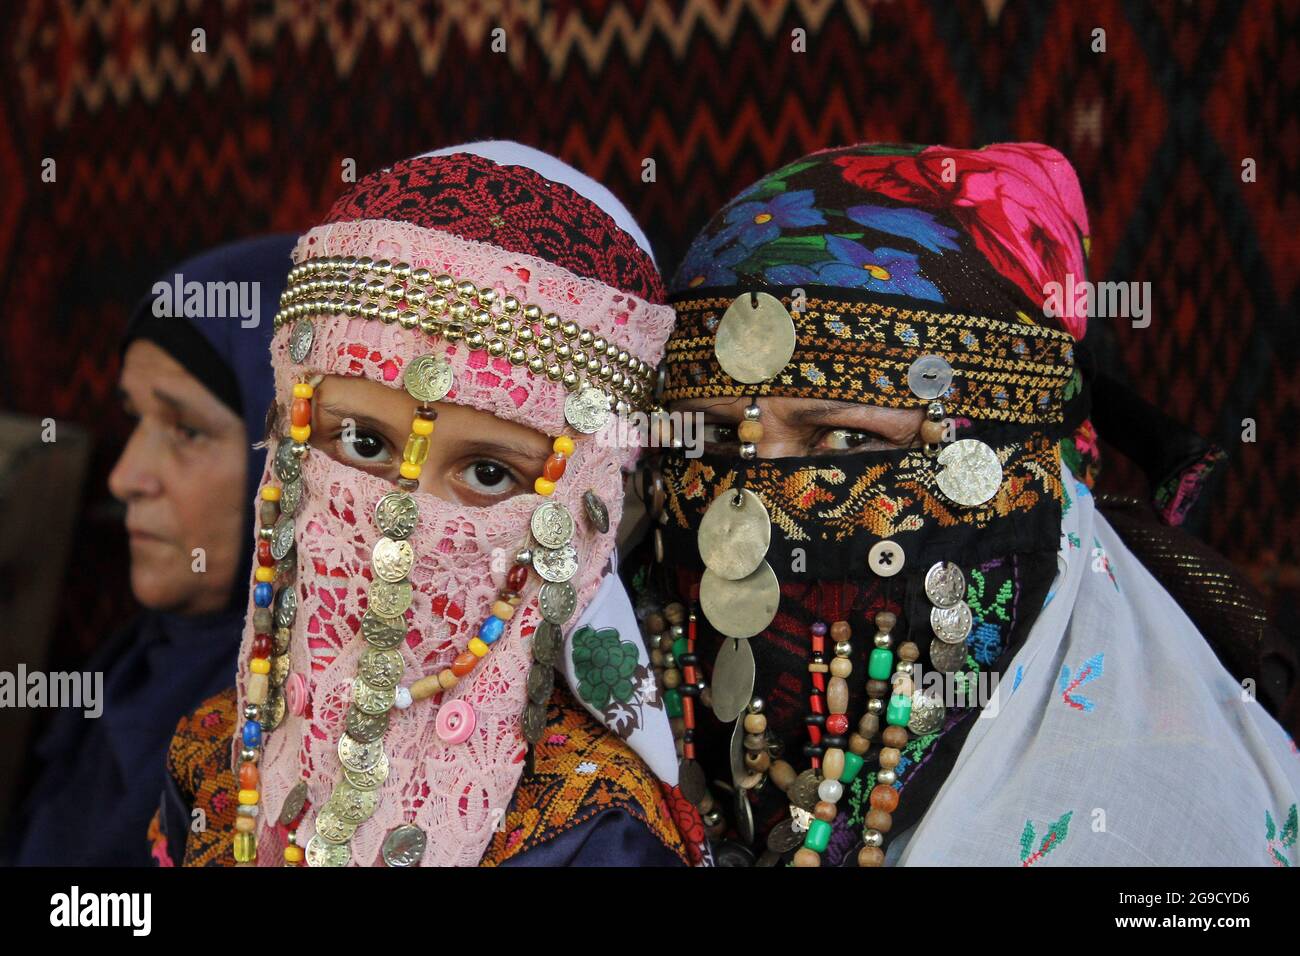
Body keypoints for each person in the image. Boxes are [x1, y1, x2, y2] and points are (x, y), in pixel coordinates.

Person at [639, 142, 1299, 866]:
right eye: (711, 441)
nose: (748, 513)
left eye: (845, 442)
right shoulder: (616, 727)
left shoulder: (1164, 816)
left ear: (1014, 461)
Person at [149, 142, 707, 867]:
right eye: (362, 442)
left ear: (579, 507)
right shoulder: (218, 748)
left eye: (485, 471)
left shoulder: (591, 828)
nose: (400, 524)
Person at [5, 233, 297, 865]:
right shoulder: (136, 667)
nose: (124, 477)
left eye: (186, 429)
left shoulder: (303, 744)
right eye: (135, 417)